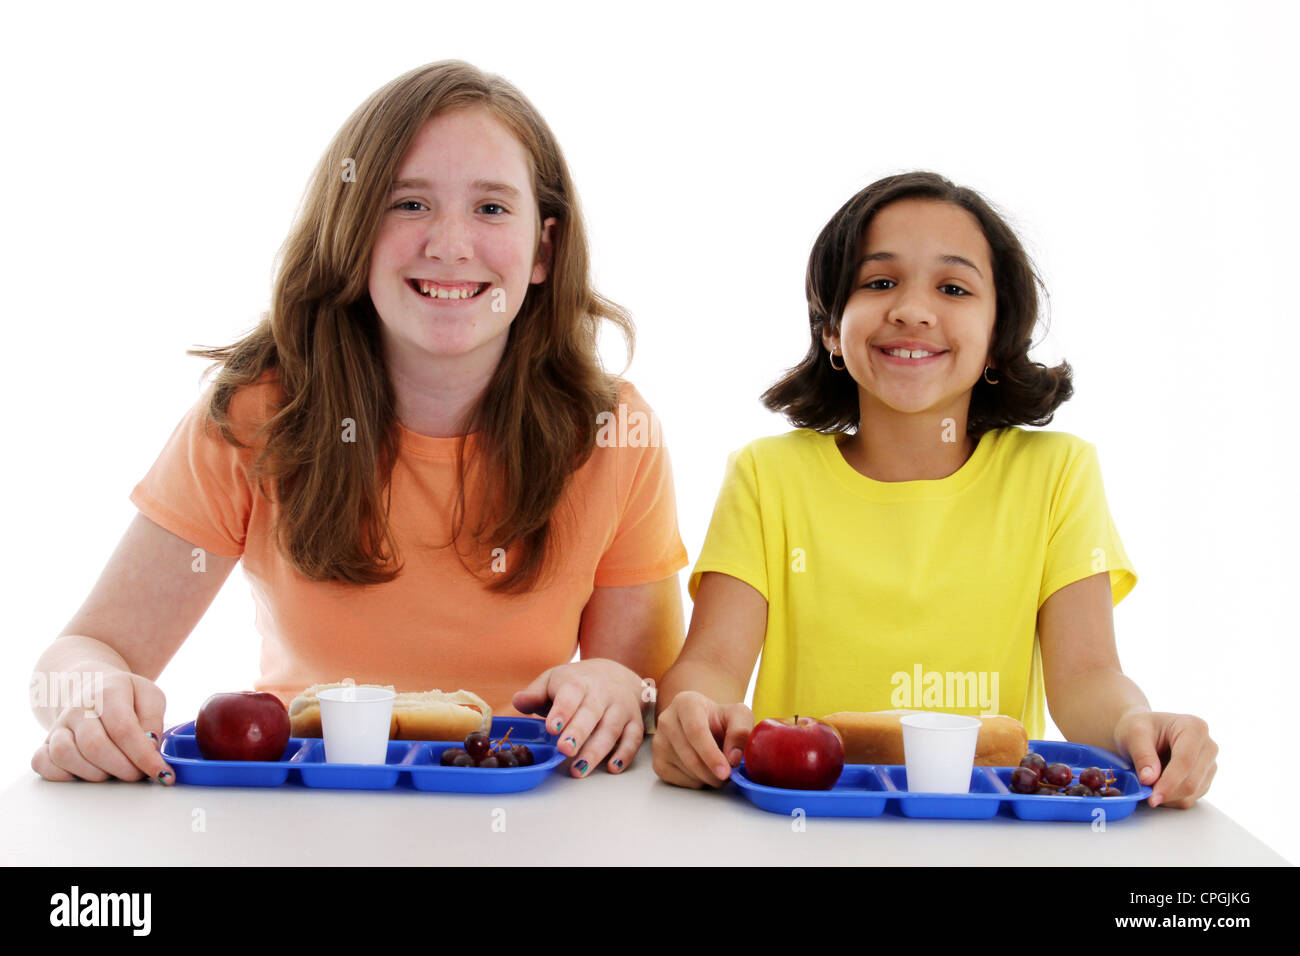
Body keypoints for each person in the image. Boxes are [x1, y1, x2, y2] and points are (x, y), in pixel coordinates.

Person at [31, 60, 686, 785]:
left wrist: (622, 691)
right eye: (408, 204)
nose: (449, 244)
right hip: (300, 807)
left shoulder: (614, 433)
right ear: (353, 230)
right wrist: (93, 696)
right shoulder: (259, 414)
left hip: (522, 810)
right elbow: (83, 652)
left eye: (492, 208)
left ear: (544, 250)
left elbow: (649, 700)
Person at [652, 171, 1217, 808]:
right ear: (832, 330)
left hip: (979, 826)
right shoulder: (766, 476)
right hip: (808, 822)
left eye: (953, 287)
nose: (912, 309)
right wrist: (695, 711)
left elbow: (1087, 677)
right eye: (879, 282)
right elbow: (713, 666)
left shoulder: (1058, 473)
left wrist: (1132, 726)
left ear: (1000, 340)